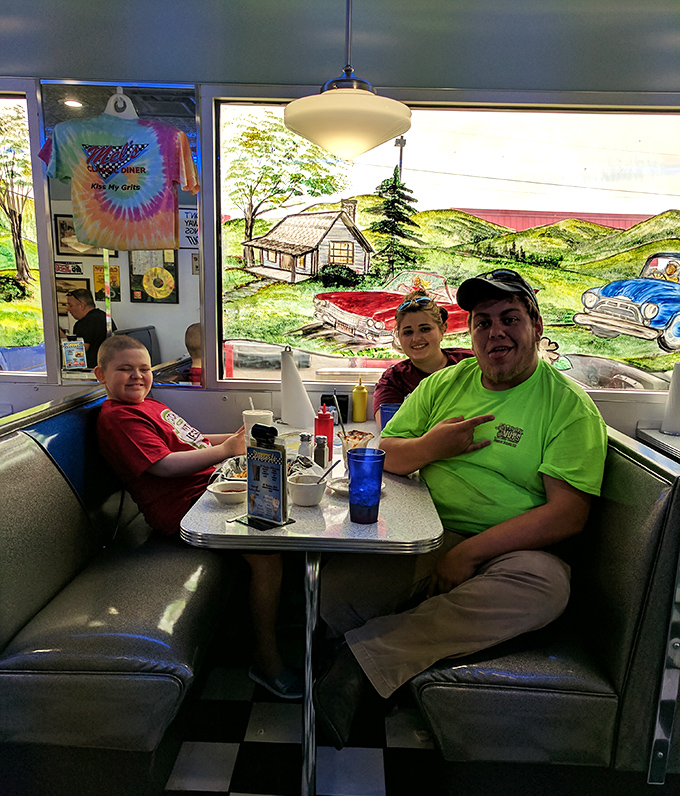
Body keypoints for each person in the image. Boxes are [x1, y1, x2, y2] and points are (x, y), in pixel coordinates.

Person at [314, 268, 608, 748]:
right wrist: (434, 446)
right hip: (425, 532)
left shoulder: (569, 406)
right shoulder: (444, 384)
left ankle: (359, 665)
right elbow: (387, 451)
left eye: (510, 318)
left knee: (547, 588)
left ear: (535, 325)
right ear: (469, 334)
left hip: (514, 551)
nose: (496, 332)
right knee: (333, 594)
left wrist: (468, 554)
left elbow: (567, 514)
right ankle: (417, 640)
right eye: (482, 322)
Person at [94, 334, 302, 699]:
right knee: (267, 554)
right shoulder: (119, 418)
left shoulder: (151, 407)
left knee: (291, 503)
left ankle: (295, 632)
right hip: (185, 511)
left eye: (143, 369)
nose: (137, 376)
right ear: (101, 374)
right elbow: (164, 465)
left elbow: (192, 442)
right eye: (124, 369)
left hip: (209, 493)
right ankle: (266, 658)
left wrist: (238, 439)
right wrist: (225, 450)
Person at [372, 291, 474, 426]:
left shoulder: (470, 364)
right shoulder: (393, 380)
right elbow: (390, 432)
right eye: (408, 332)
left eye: (425, 329)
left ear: (442, 330)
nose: (416, 338)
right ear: (399, 337)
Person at [60, 288, 117, 368]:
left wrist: (61, 336)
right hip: (109, 368)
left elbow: (76, 356)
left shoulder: (84, 323)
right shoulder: (105, 317)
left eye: (70, 305)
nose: (68, 309)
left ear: (82, 306)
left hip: (92, 371)